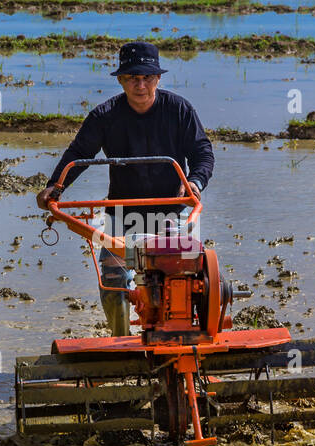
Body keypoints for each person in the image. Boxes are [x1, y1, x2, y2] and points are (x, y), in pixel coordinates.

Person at [36, 41, 215, 336]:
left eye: (147, 77)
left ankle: (180, 334)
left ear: (158, 78)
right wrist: (55, 187)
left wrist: (195, 182)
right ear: (121, 80)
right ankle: (121, 341)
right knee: (113, 278)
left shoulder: (179, 110)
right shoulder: (105, 116)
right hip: (123, 212)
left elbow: (202, 153)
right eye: (133, 77)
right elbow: (79, 154)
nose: (140, 85)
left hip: (172, 209)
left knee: (183, 276)